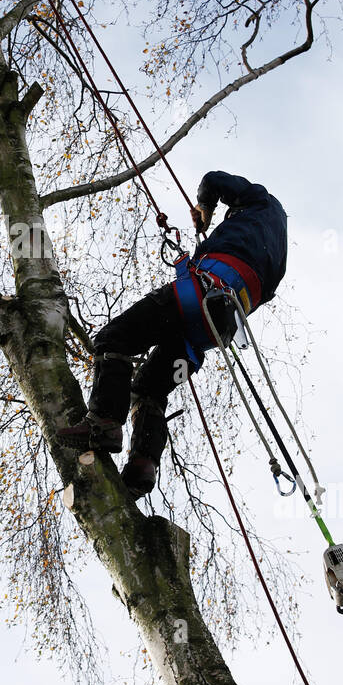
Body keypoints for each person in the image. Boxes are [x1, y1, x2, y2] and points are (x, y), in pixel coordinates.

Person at [57, 172, 288, 496]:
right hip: (209, 329)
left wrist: (204, 210)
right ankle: (143, 466)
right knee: (150, 390)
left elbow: (213, 181)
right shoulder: (277, 258)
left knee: (115, 336)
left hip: (196, 296)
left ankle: (104, 421)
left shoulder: (259, 201)